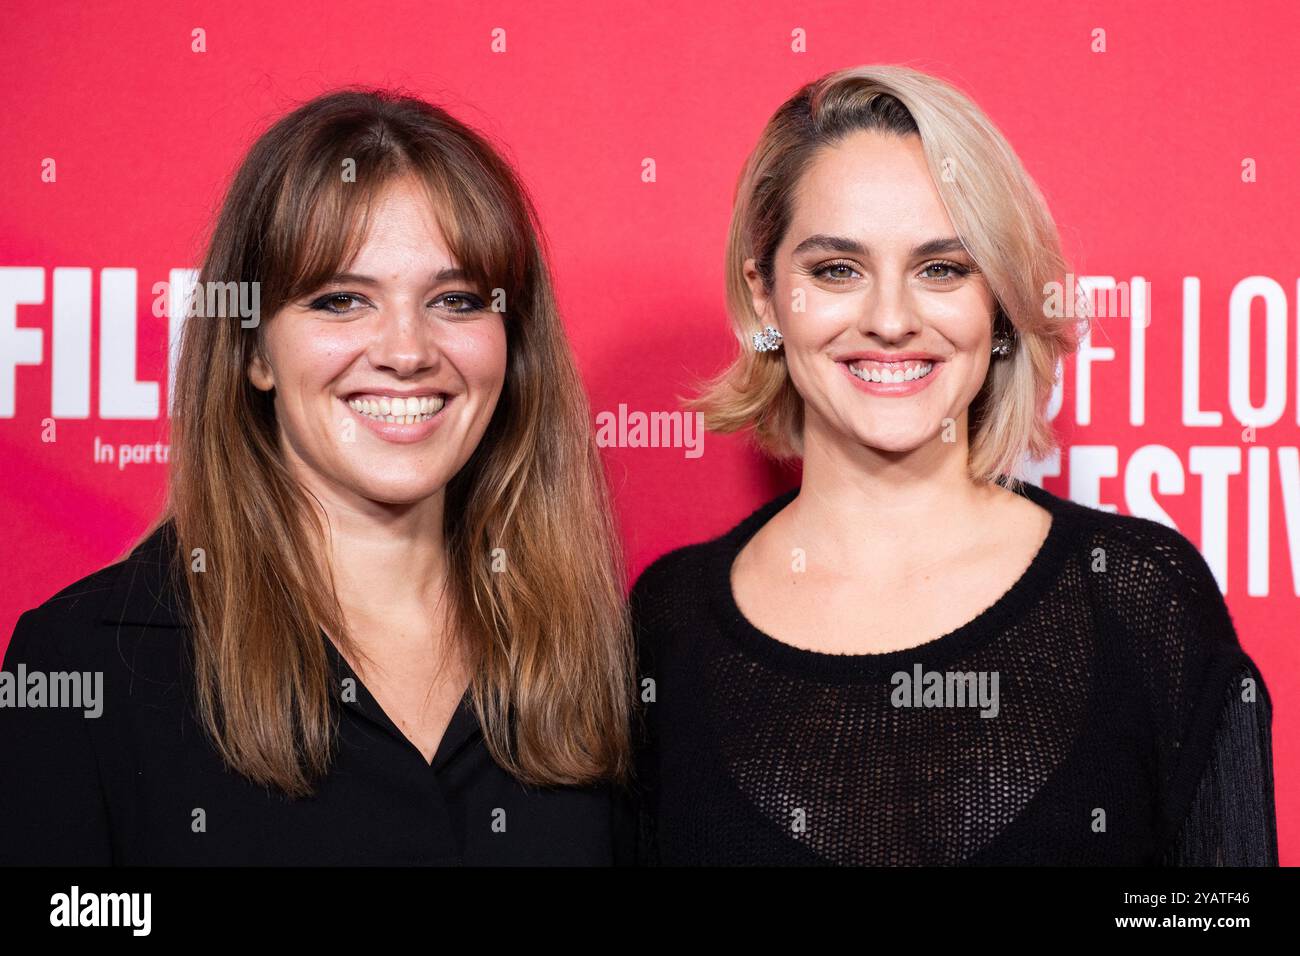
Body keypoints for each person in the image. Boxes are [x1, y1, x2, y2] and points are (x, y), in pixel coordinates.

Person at [627, 65, 1278, 865]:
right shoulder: (666, 626)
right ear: (765, 297)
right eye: (837, 269)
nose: (892, 319)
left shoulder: (1143, 601)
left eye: (943, 268)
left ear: (998, 299)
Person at [0, 89, 636, 865]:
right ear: (254, 353)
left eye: (456, 300)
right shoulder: (86, 664)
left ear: (512, 345)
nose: (407, 351)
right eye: (341, 301)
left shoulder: (598, 656)